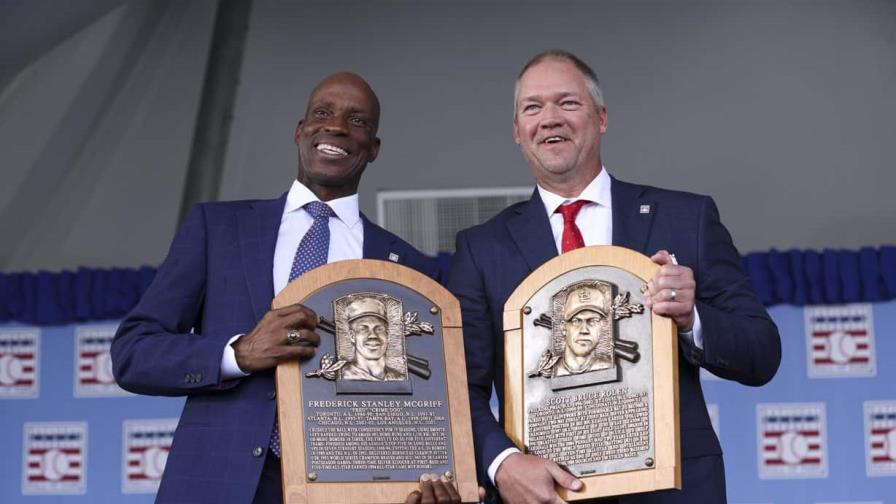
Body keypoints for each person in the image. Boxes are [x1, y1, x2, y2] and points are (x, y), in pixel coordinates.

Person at [446, 50, 781, 503]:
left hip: (670, 490)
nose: (549, 119)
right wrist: (502, 462)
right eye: (532, 107)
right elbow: (459, 388)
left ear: (601, 118)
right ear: (517, 133)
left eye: (567, 103)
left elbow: (762, 353)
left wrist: (691, 318)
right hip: (545, 495)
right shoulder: (481, 248)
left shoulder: (685, 219)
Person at [112, 73, 459, 503]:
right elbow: (133, 353)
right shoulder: (217, 229)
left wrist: (424, 478)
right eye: (322, 113)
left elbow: (422, 403)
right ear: (300, 130)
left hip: (350, 491)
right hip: (220, 485)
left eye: (357, 121)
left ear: (373, 149)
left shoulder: (409, 269)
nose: (335, 127)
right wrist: (237, 354)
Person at [555, 283, 613, 376]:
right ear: (563, 327)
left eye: (593, 321)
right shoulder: (549, 371)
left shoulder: (609, 366)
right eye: (576, 321)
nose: (584, 330)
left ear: (602, 326)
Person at [341, 296, 404, 381]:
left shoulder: (399, 378)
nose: (373, 335)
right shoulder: (344, 375)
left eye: (379, 329)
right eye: (363, 329)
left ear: (388, 335)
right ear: (352, 336)